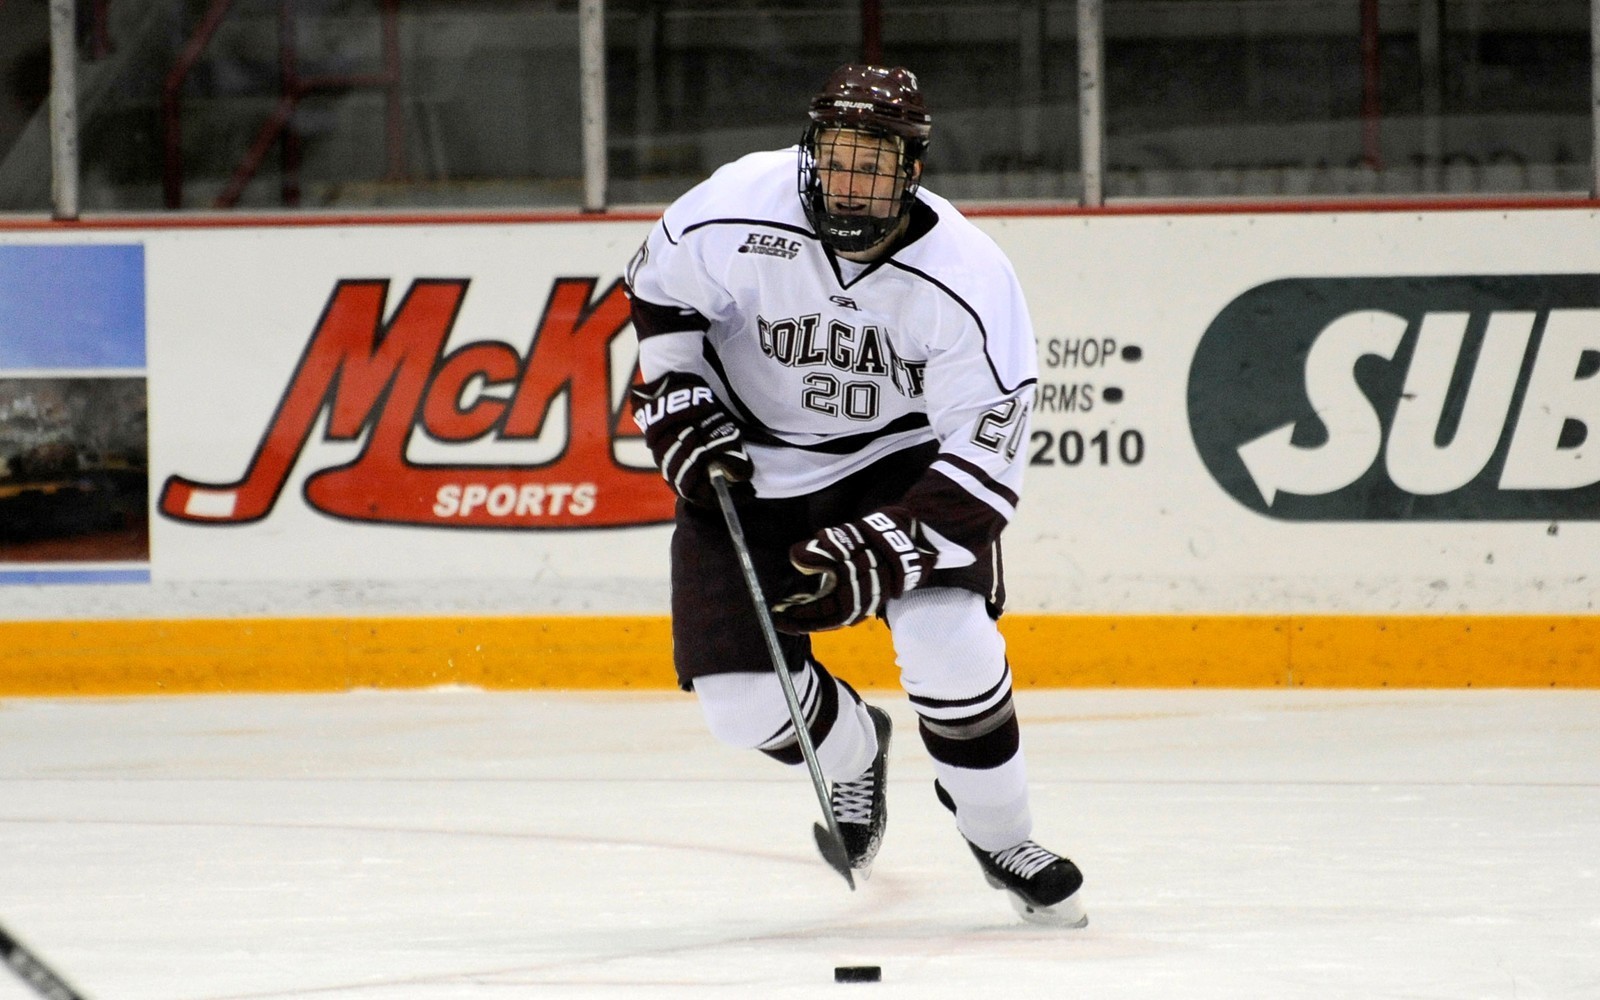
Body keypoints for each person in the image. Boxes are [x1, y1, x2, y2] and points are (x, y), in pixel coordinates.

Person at [624, 63, 1086, 927]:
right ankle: (848, 748)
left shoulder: (969, 279)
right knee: (737, 705)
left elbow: (983, 469)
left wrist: (880, 547)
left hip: (894, 467)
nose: (851, 181)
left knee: (950, 640)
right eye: (836, 158)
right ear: (811, 154)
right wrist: (679, 392)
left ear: (912, 171)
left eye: (873, 165)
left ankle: (1002, 835)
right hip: (748, 465)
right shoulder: (736, 206)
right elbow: (657, 293)